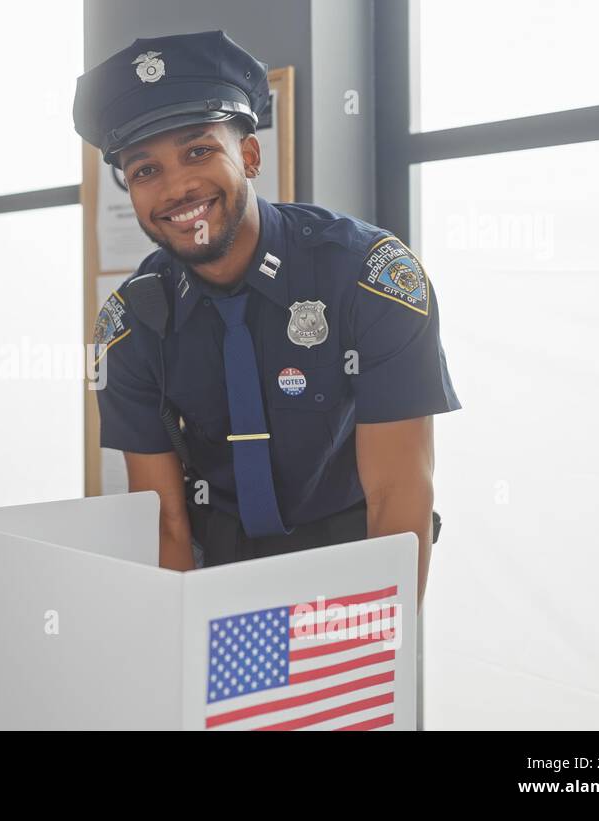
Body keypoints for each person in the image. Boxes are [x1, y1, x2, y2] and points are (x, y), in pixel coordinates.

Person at [73, 30, 461, 608]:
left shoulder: (369, 275)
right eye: (145, 170)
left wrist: (376, 646)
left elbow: (398, 493)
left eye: (198, 151)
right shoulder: (130, 325)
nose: (177, 186)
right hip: (219, 567)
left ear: (249, 156)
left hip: (353, 554)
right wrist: (180, 651)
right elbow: (167, 525)